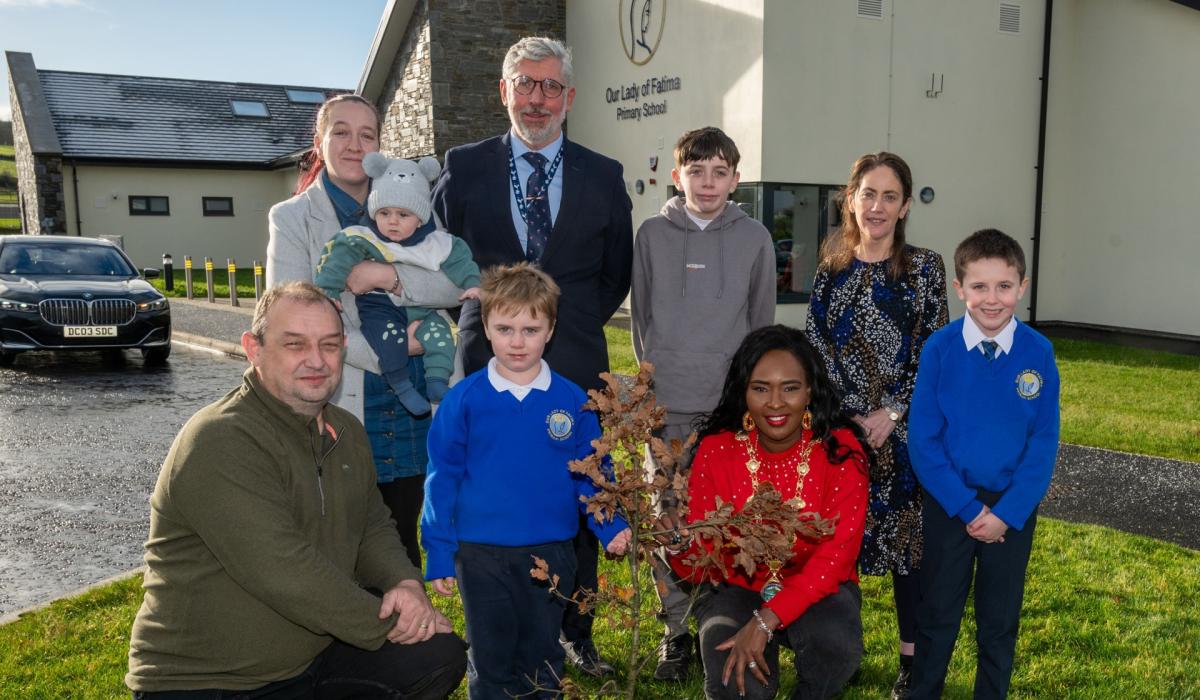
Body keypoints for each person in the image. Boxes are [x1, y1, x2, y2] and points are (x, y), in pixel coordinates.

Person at [126, 281, 467, 698]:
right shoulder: (220, 439)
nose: (316, 360)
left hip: (310, 660)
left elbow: (372, 526)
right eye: (294, 344)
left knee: (436, 656)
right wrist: (394, 623)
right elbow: (282, 570)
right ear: (253, 349)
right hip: (210, 681)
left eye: (329, 345)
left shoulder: (345, 430)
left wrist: (405, 583)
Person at [432, 35, 634, 676]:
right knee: (487, 480)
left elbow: (615, 273)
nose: (537, 98)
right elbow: (443, 259)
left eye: (550, 86)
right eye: (525, 83)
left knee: (582, 484)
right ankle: (490, 622)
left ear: (569, 96)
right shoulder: (464, 167)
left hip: (571, 354)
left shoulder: (604, 174)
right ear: (504, 91)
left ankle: (577, 628)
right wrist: (488, 325)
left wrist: (562, 325)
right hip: (487, 355)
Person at [421, 263, 632, 699]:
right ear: (486, 328)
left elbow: (593, 471)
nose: (517, 342)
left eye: (530, 330)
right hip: (479, 554)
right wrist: (439, 550)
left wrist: (609, 524)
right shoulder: (464, 400)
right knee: (491, 658)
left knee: (543, 657)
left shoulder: (572, 401)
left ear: (550, 330)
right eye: (505, 329)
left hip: (551, 551)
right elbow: (442, 478)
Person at [269, 94, 462, 569]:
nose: (354, 145)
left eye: (367, 134)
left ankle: (405, 614)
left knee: (403, 541)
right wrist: (391, 351)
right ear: (319, 142)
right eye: (341, 132)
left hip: (417, 399)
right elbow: (293, 321)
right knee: (345, 546)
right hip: (348, 399)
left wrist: (387, 277)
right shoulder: (292, 218)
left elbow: (452, 283)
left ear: (379, 145)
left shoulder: (410, 198)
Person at [630, 125, 776, 681]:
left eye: (719, 172)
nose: (708, 182)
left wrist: (746, 399)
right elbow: (641, 320)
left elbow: (761, 325)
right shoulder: (652, 234)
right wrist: (655, 382)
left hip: (725, 411)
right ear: (677, 176)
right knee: (667, 518)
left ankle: (720, 618)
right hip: (665, 406)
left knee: (723, 519)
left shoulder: (755, 238)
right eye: (697, 171)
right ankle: (675, 632)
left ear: (736, 179)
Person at [657, 324, 868, 699]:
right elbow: (703, 566)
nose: (775, 403)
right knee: (734, 679)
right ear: (744, 391)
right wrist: (680, 545)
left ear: (810, 391)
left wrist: (765, 620)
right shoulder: (717, 450)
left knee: (834, 646)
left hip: (816, 585)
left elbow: (837, 557)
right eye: (760, 388)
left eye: (790, 388)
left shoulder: (840, 450)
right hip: (736, 586)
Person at [804, 151, 948, 698]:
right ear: (851, 199)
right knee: (839, 549)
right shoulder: (831, 265)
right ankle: (843, 653)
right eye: (869, 194)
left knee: (907, 555)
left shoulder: (925, 268)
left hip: (904, 434)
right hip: (842, 434)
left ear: (905, 206)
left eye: (890, 196)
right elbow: (816, 347)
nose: (878, 206)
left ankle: (911, 662)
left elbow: (931, 347)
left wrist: (890, 411)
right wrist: (845, 418)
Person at [906, 229, 1060, 699]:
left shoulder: (1038, 352)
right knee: (937, 614)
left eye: (1004, 286)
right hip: (950, 504)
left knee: (999, 619)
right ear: (959, 289)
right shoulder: (940, 349)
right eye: (979, 286)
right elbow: (923, 441)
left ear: (1022, 287)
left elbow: (1043, 443)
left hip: (1011, 512)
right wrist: (969, 509)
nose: (992, 299)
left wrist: (1006, 514)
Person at [314, 151, 481, 416]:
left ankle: (437, 381)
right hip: (379, 306)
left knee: (442, 335)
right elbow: (336, 258)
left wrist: (472, 282)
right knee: (388, 337)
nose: (392, 221)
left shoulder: (434, 241)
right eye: (384, 213)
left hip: (422, 311)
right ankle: (401, 385)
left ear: (420, 218)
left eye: (403, 215)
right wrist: (328, 289)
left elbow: (459, 259)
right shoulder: (364, 237)